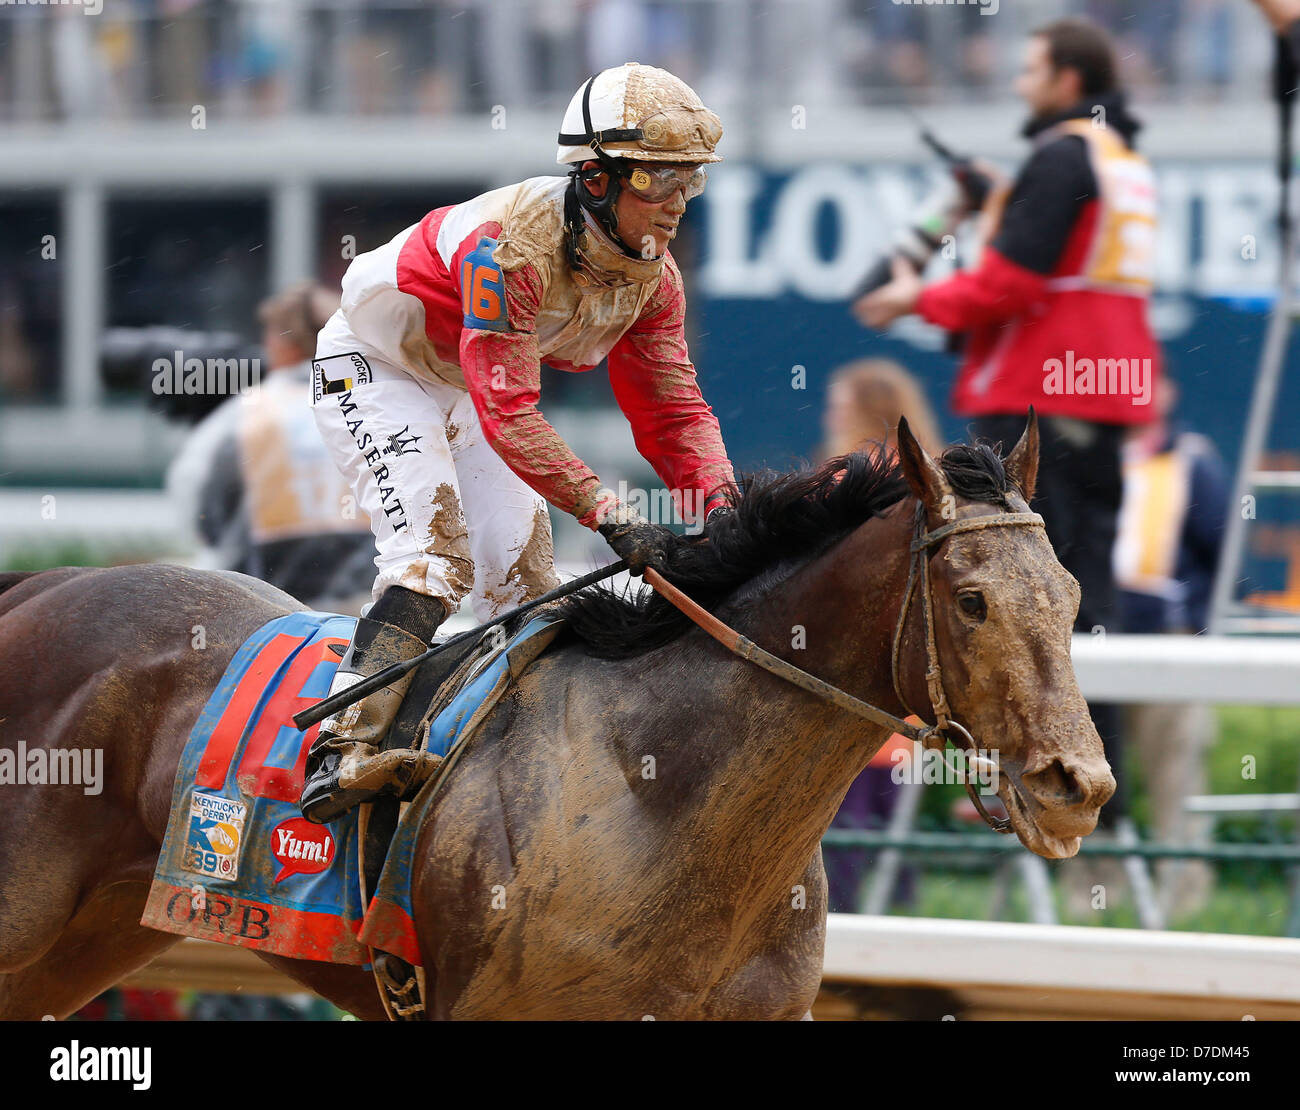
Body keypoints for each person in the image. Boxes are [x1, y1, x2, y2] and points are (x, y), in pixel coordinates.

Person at [301, 63, 736, 824]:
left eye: (689, 185)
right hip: (376, 368)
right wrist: (609, 512)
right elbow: (512, 411)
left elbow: (673, 414)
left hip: (465, 385)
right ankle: (342, 746)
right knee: (435, 561)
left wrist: (727, 509)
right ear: (597, 181)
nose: (676, 208)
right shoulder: (508, 251)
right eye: (659, 183)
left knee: (528, 584)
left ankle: (512, 762)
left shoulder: (655, 280)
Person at [856, 17, 1160, 829]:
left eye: (1032, 68)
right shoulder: (1118, 159)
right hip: (1103, 397)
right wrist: (996, 201)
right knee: (1084, 607)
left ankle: (1033, 775)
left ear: (1066, 80)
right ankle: (1101, 789)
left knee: (1012, 601)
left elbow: (1012, 285)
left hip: (1042, 400)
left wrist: (913, 295)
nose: (1021, 82)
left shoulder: (1062, 157)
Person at [166, 281, 375, 614]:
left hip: (271, 610)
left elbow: (207, 513)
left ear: (286, 345)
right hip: (370, 605)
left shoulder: (248, 413)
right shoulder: (373, 404)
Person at [819, 359, 939, 912]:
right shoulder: (933, 483)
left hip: (850, 697)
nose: (829, 414)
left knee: (840, 853)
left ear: (866, 412)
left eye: (839, 405)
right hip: (908, 697)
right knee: (895, 856)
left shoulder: (849, 482)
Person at [1115, 376, 1228, 917]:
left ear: (1167, 391)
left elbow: (1221, 554)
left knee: (1175, 773)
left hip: (1169, 640)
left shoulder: (1193, 460)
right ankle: (1096, 901)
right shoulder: (1094, 458)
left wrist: (1198, 635)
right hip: (1093, 639)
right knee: (1091, 777)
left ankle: (1184, 906)